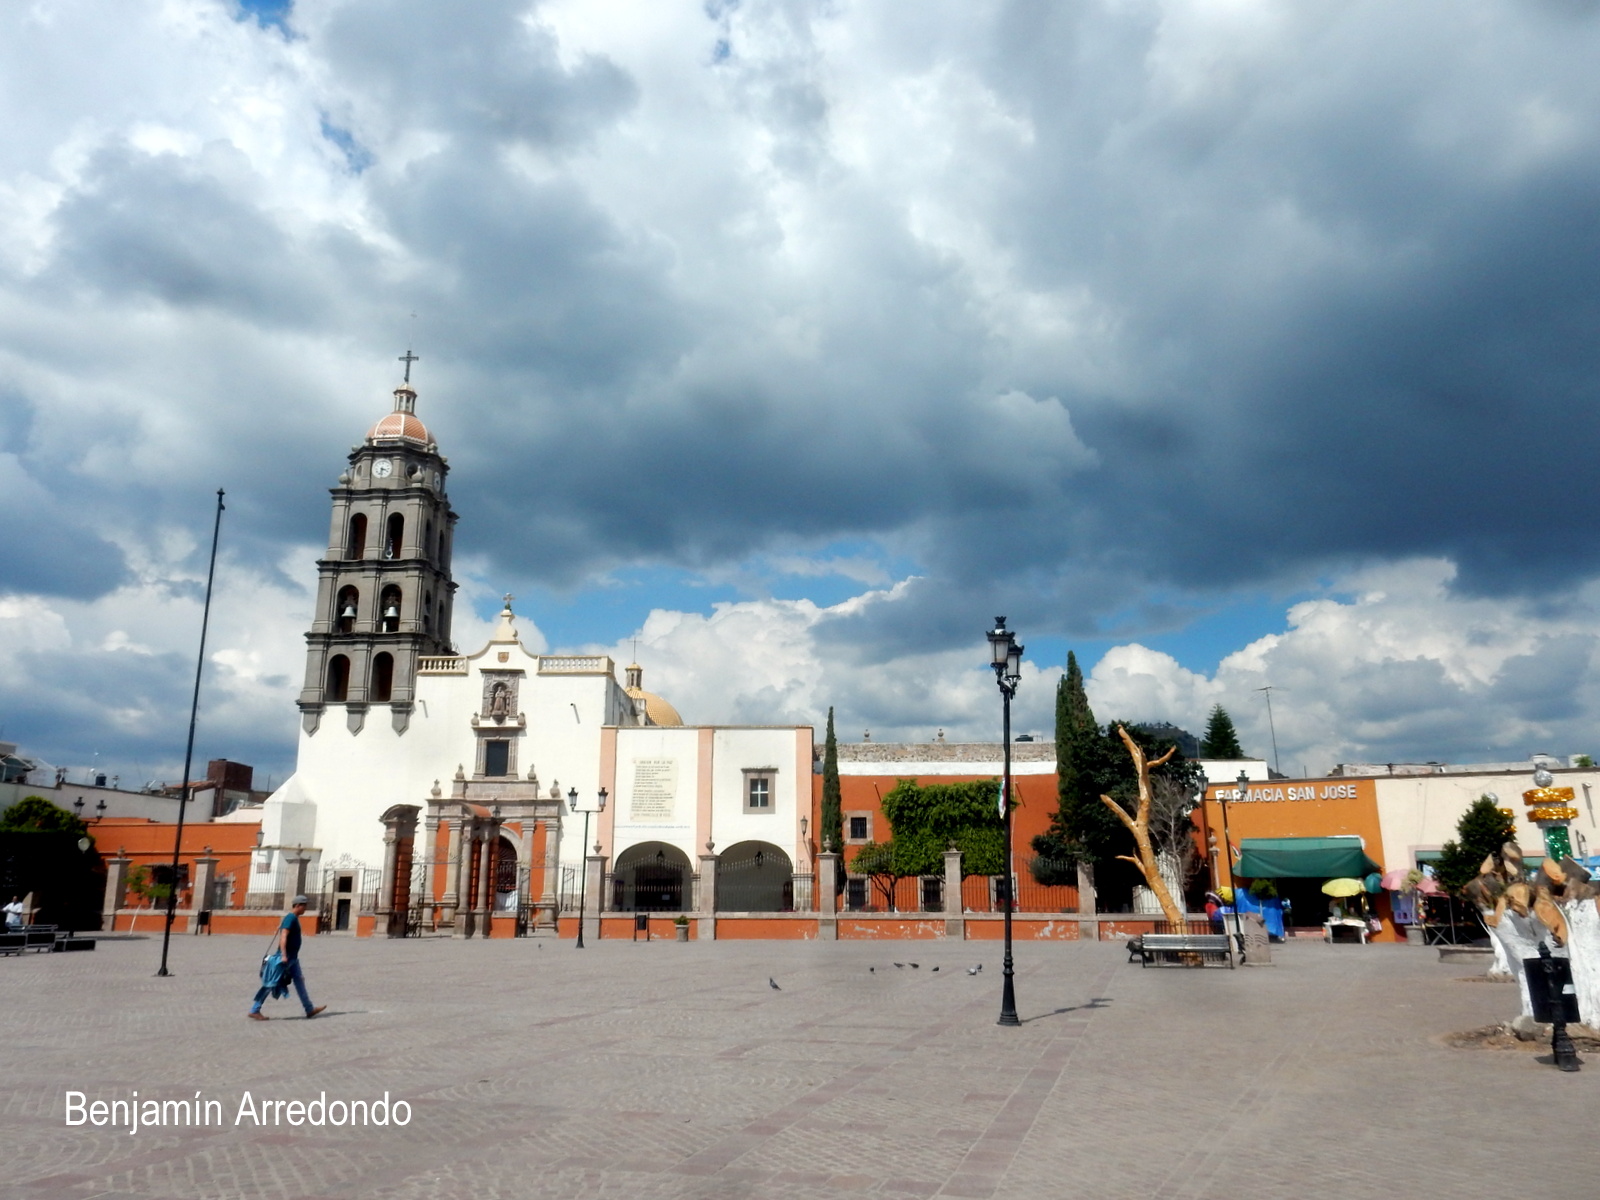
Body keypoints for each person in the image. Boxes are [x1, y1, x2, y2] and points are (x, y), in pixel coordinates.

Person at [248, 896, 325, 1021]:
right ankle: (254, 1010)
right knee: (271, 982)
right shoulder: (290, 918)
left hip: (293, 958)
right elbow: (283, 936)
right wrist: (283, 955)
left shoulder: (293, 918)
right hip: (286, 957)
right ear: (298, 905)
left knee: (299, 981)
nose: (305, 908)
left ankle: (309, 1009)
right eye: (304, 905)